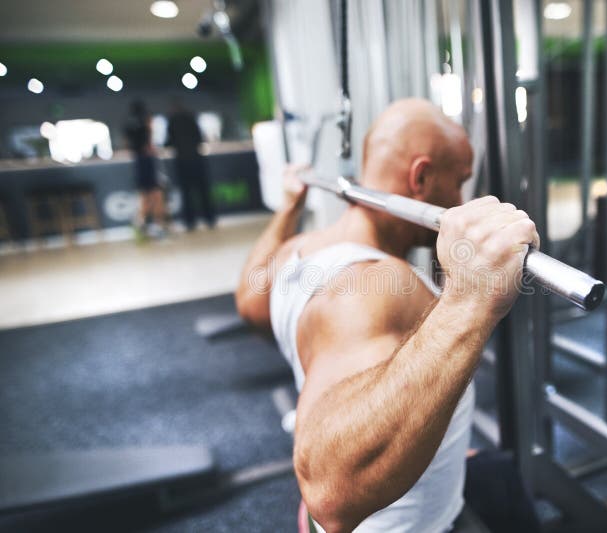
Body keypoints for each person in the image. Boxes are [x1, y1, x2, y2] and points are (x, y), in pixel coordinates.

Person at [236, 98, 540, 533]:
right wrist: (468, 299)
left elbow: (250, 303)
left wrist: (289, 207)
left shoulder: (296, 251)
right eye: (458, 183)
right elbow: (330, 492)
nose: (460, 200)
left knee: (495, 474)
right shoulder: (373, 287)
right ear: (420, 178)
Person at [166, 99, 216, 231]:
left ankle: (190, 222)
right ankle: (210, 218)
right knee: (203, 191)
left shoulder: (172, 122)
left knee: (186, 193)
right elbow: (200, 138)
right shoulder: (191, 118)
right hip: (196, 159)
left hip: (182, 162)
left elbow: (168, 142)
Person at [124, 100, 168, 239]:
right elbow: (149, 146)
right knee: (155, 195)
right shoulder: (144, 127)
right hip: (147, 162)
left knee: (146, 196)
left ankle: (143, 225)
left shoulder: (129, 126)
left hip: (140, 162)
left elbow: (129, 145)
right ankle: (153, 226)